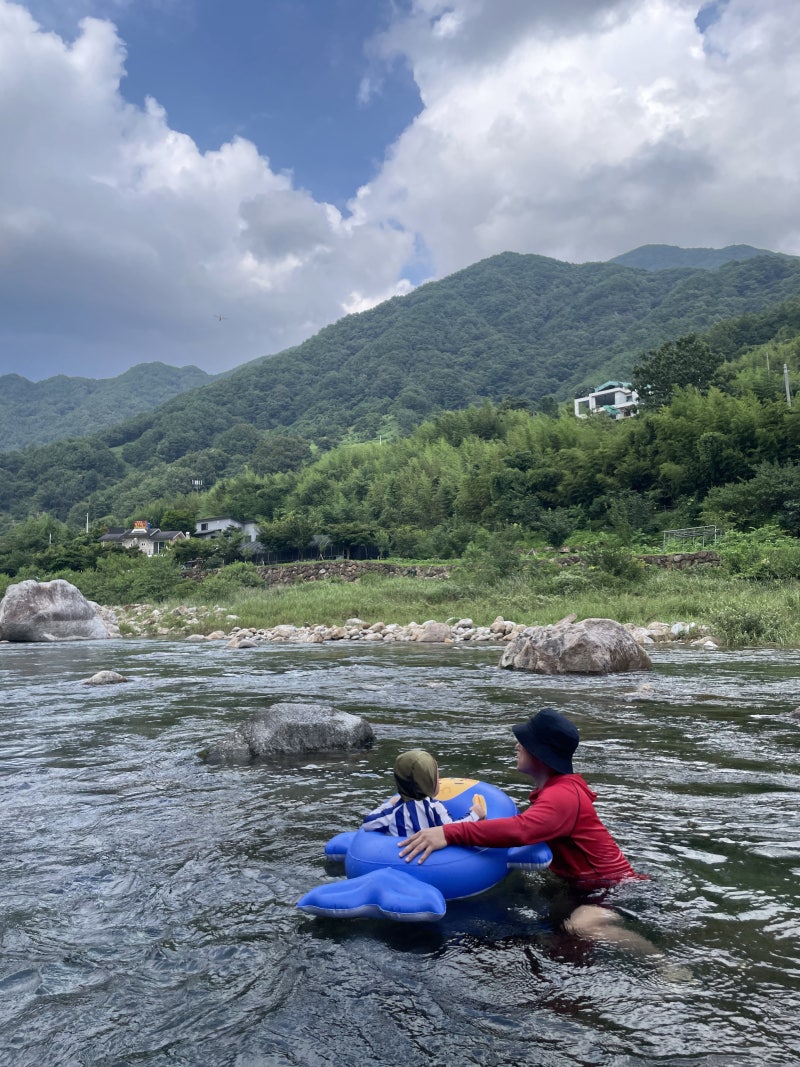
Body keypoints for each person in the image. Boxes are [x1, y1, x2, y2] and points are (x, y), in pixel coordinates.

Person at [398, 708, 653, 948]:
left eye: (524, 742)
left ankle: (661, 963)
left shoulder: (562, 797)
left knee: (578, 927)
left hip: (611, 889)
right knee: (557, 944)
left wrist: (447, 832)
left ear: (541, 753)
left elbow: (521, 830)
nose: (517, 745)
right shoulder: (557, 790)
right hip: (580, 885)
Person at [361, 748, 487, 837]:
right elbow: (451, 829)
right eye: (436, 777)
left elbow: (368, 823)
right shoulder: (435, 808)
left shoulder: (393, 814)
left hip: (400, 859)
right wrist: (474, 815)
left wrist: (388, 804)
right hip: (434, 861)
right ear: (429, 783)